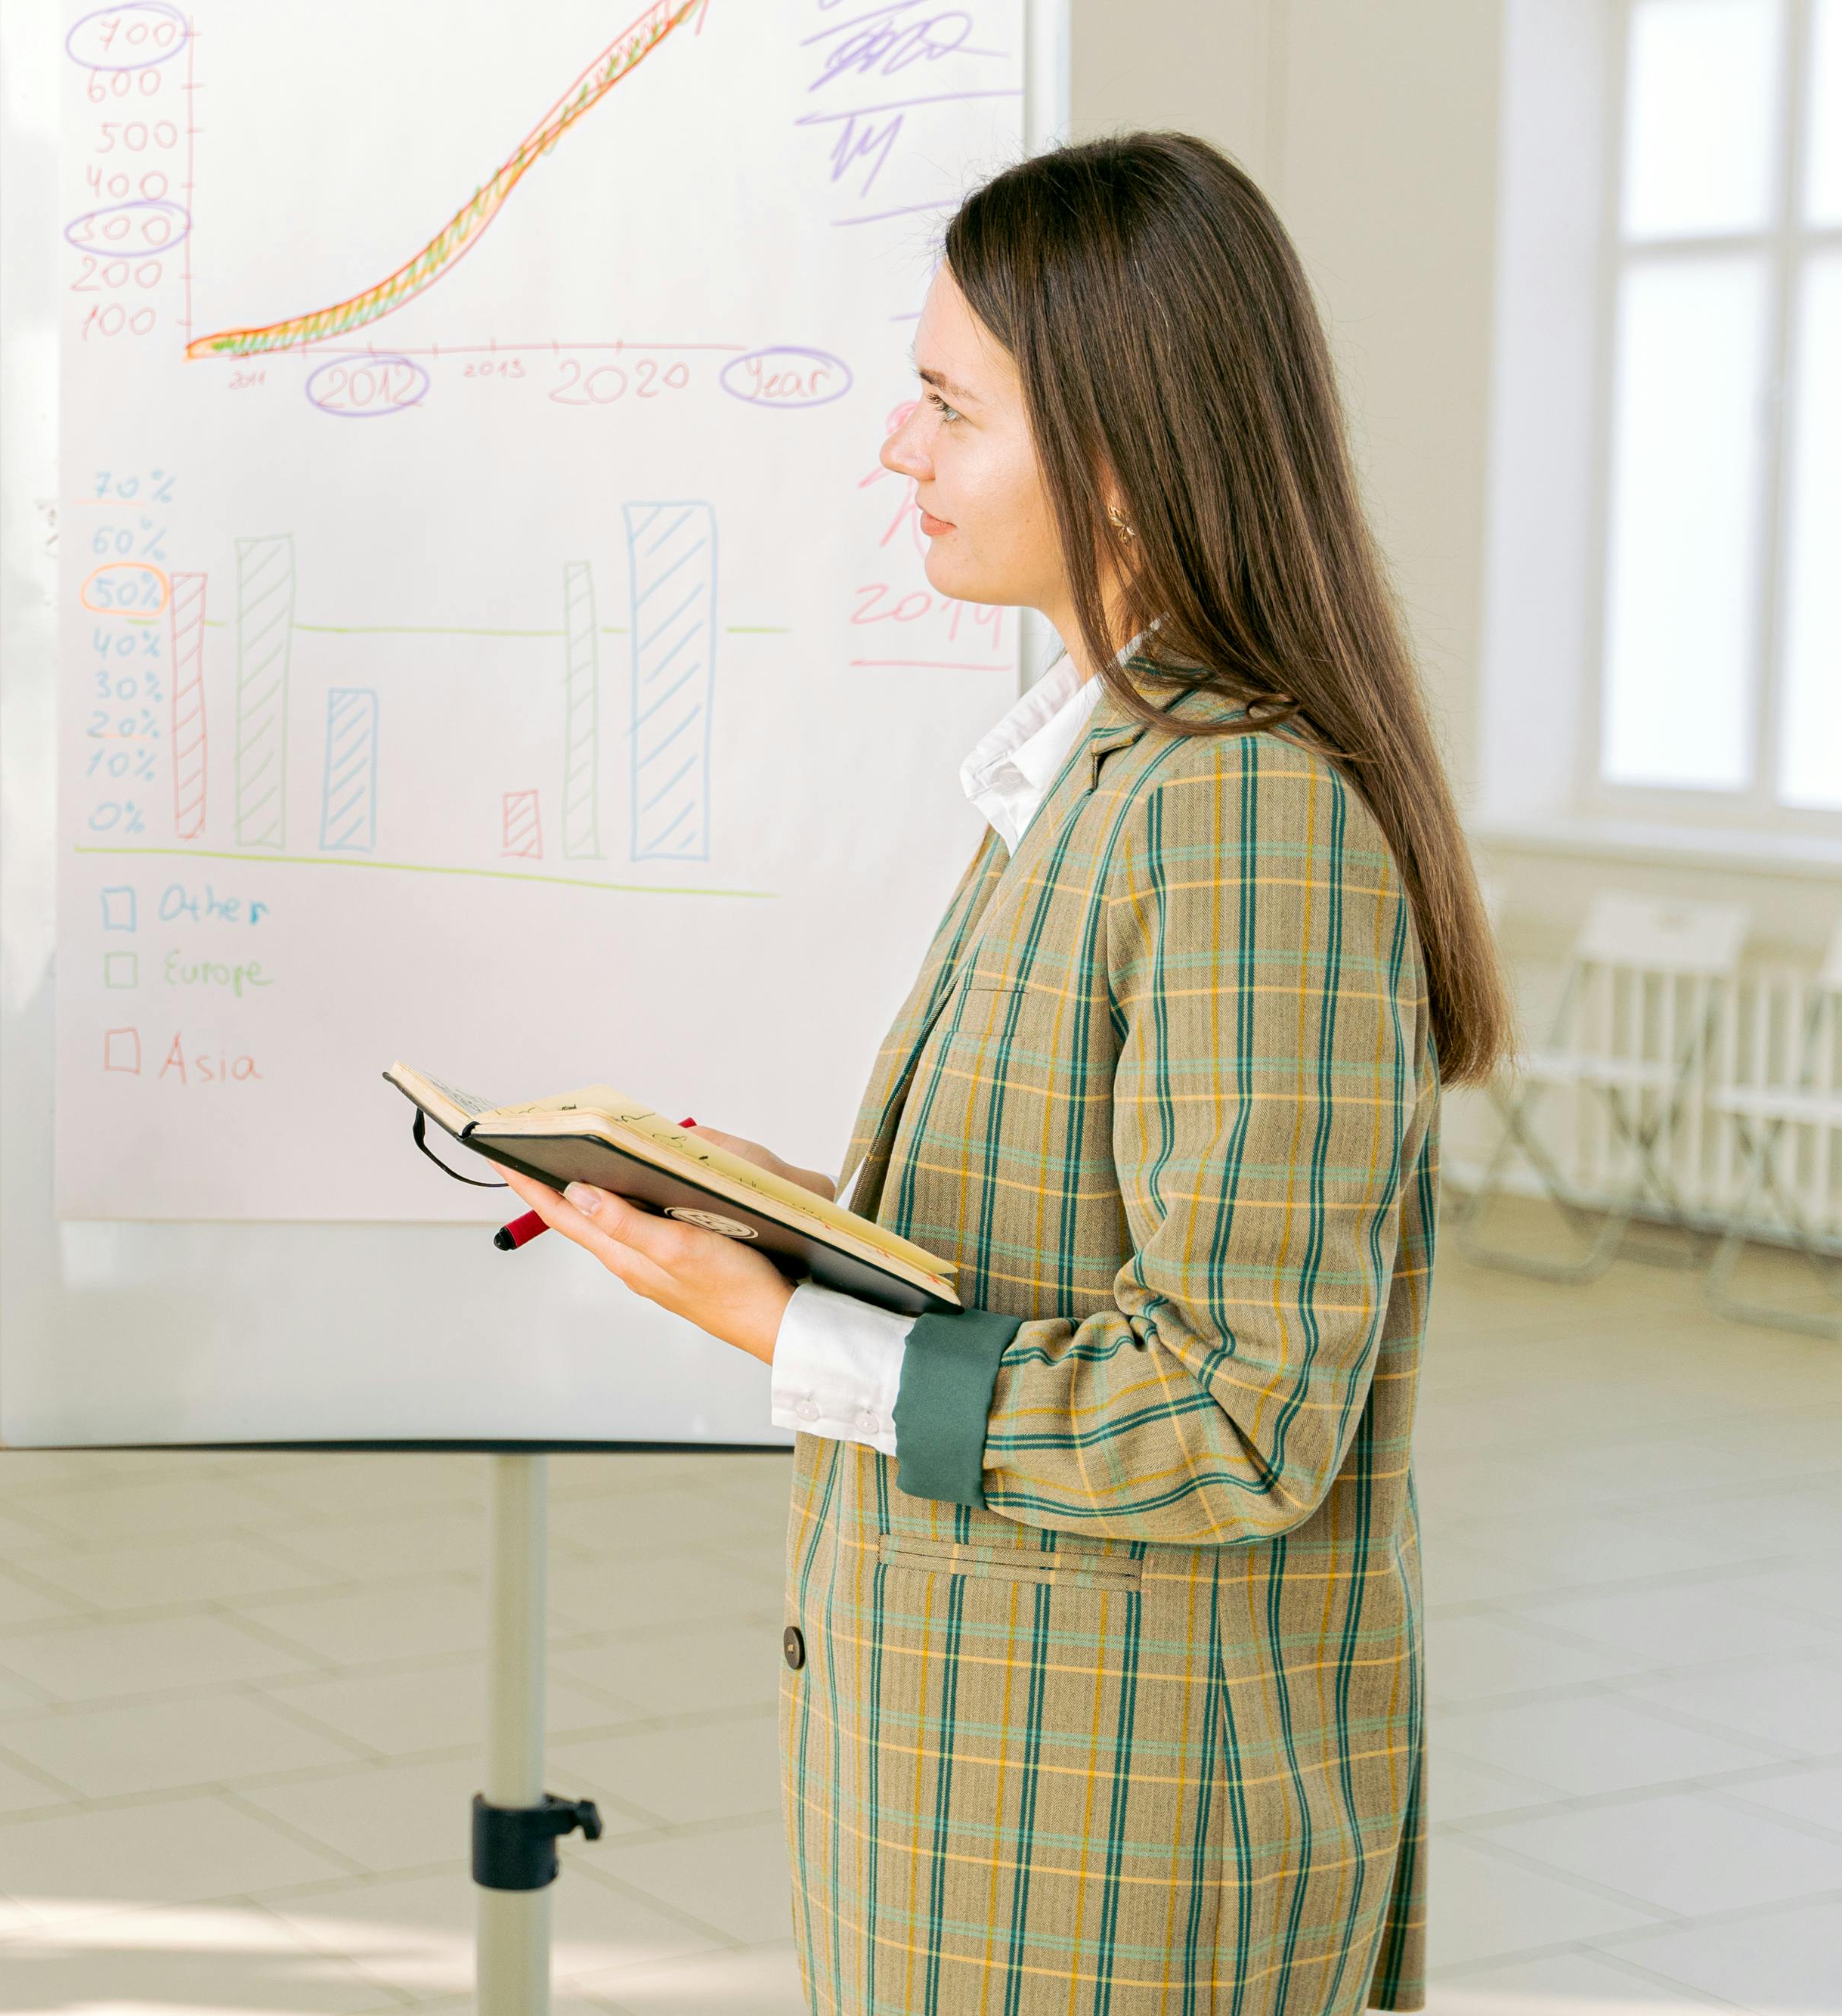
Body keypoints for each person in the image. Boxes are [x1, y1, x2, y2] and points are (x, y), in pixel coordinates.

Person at [500, 133, 1506, 2015]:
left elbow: (1236, 1406)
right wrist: (789, 1228)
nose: (900, 451)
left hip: (1117, 1851)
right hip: (1011, 1812)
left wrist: (797, 1337)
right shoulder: (1097, 780)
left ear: (1123, 451)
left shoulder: (1239, 818)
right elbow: (1065, 1238)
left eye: (948, 408)